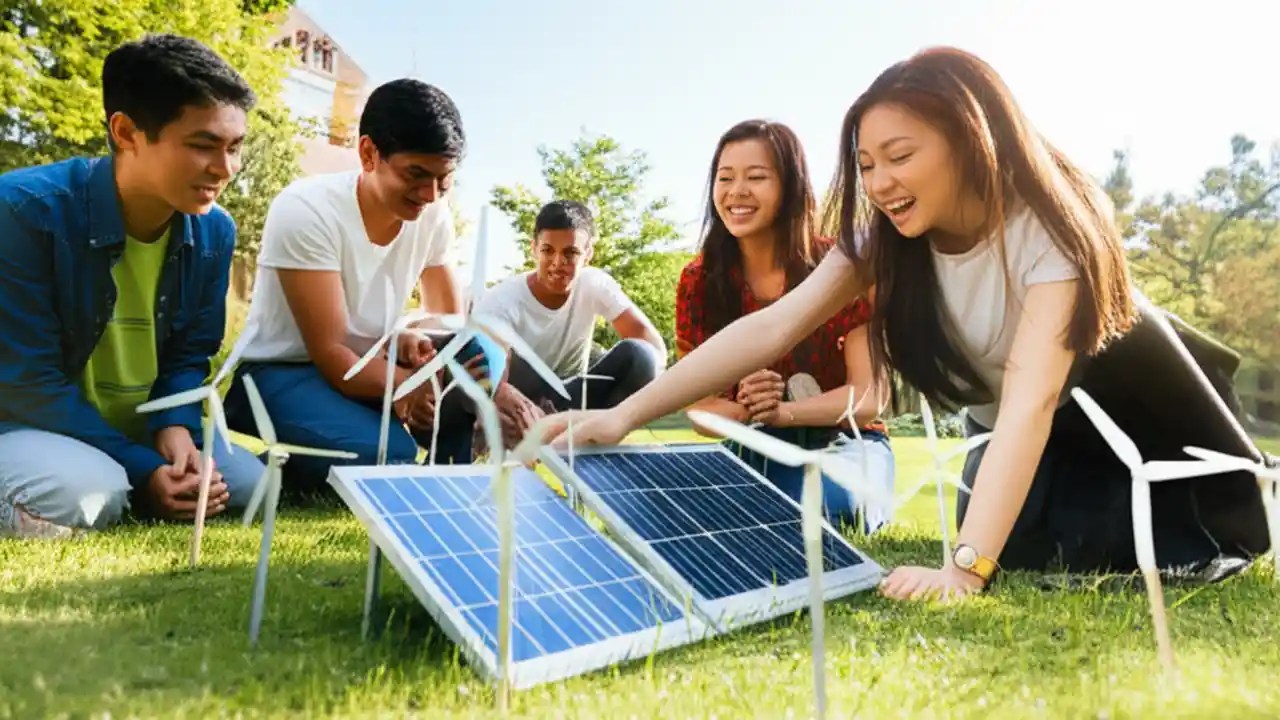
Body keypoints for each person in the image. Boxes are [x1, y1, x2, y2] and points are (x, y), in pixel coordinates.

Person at [537, 46, 1270, 601]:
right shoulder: (882, 238)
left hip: (1134, 421)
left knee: (1098, 550)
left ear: (969, 138)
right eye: (865, 164)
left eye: (900, 156)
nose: (880, 182)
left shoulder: (1052, 228)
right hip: (1027, 439)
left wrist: (965, 571)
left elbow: (1031, 401)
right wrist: (622, 416)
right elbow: (769, 329)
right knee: (1029, 542)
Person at [0, 34, 266, 538]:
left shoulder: (214, 230)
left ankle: (128, 475)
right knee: (89, 494)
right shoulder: (21, 211)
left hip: (135, 427)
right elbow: (24, 381)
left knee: (248, 486)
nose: (225, 169)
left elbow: (190, 356)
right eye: (202, 145)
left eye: (234, 147)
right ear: (126, 132)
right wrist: (145, 470)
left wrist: (176, 428)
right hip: (22, 423)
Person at [225, 78, 498, 492]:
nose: (429, 194)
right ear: (369, 153)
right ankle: (256, 469)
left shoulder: (433, 214)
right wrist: (405, 386)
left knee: (478, 355)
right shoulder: (305, 210)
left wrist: (410, 337)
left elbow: (448, 321)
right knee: (385, 453)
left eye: (443, 180)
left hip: (370, 364)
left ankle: (445, 470)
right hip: (283, 371)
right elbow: (335, 351)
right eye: (416, 175)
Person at [675, 119, 894, 531]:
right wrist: (749, 409)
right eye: (725, 178)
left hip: (847, 441)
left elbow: (868, 399)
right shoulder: (699, 282)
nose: (736, 191)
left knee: (830, 506)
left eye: (756, 177)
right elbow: (700, 412)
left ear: (791, 187)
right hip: (757, 442)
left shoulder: (844, 267)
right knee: (688, 511)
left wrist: (785, 413)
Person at [472, 200, 666, 447]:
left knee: (642, 356)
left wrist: (655, 399)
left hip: (573, 400)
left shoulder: (595, 284)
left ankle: (595, 435)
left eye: (570, 253)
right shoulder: (503, 299)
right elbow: (489, 364)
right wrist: (495, 401)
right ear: (534, 249)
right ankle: (502, 434)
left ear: (588, 254)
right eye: (547, 251)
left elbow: (650, 342)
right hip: (519, 396)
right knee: (494, 360)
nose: (557, 262)